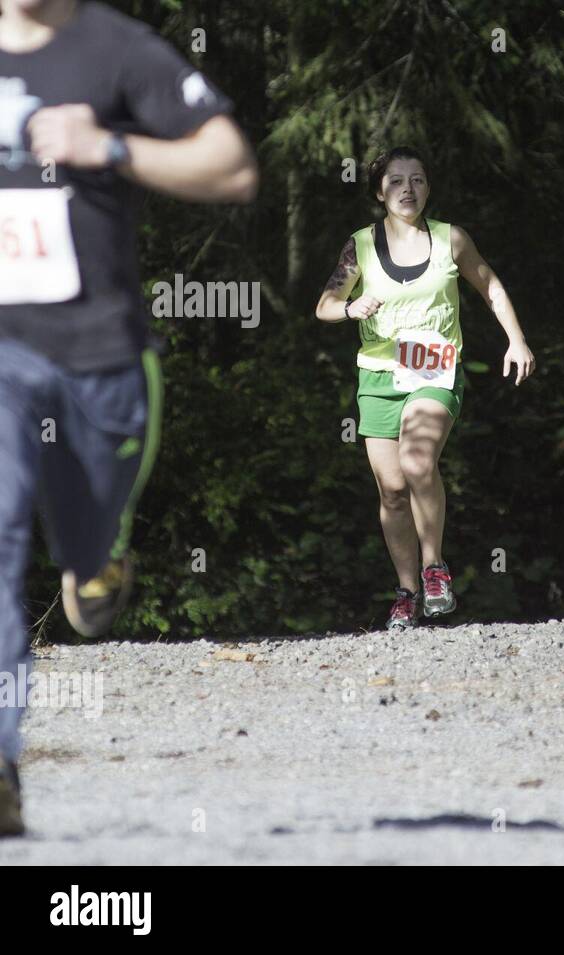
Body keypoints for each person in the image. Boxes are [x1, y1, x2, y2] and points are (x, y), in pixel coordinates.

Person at [0, 0, 259, 837]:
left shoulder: (114, 48)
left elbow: (230, 166)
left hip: (99, 356)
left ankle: (97, 550)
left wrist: (108, 145)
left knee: (85, 537)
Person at [315, 146, 535, 630]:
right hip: (377, 376)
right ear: (379, 192)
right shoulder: (361, 245)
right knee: (392, 490)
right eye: (395, 181)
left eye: (417, 180)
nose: (407, 189)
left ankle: (435, 568)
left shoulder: (451, 239)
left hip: (436, 370)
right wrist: (351, 309)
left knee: (418, 462)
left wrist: (516, 341)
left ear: (428, 189)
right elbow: (325, 305)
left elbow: (491, 287)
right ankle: (406, 592)